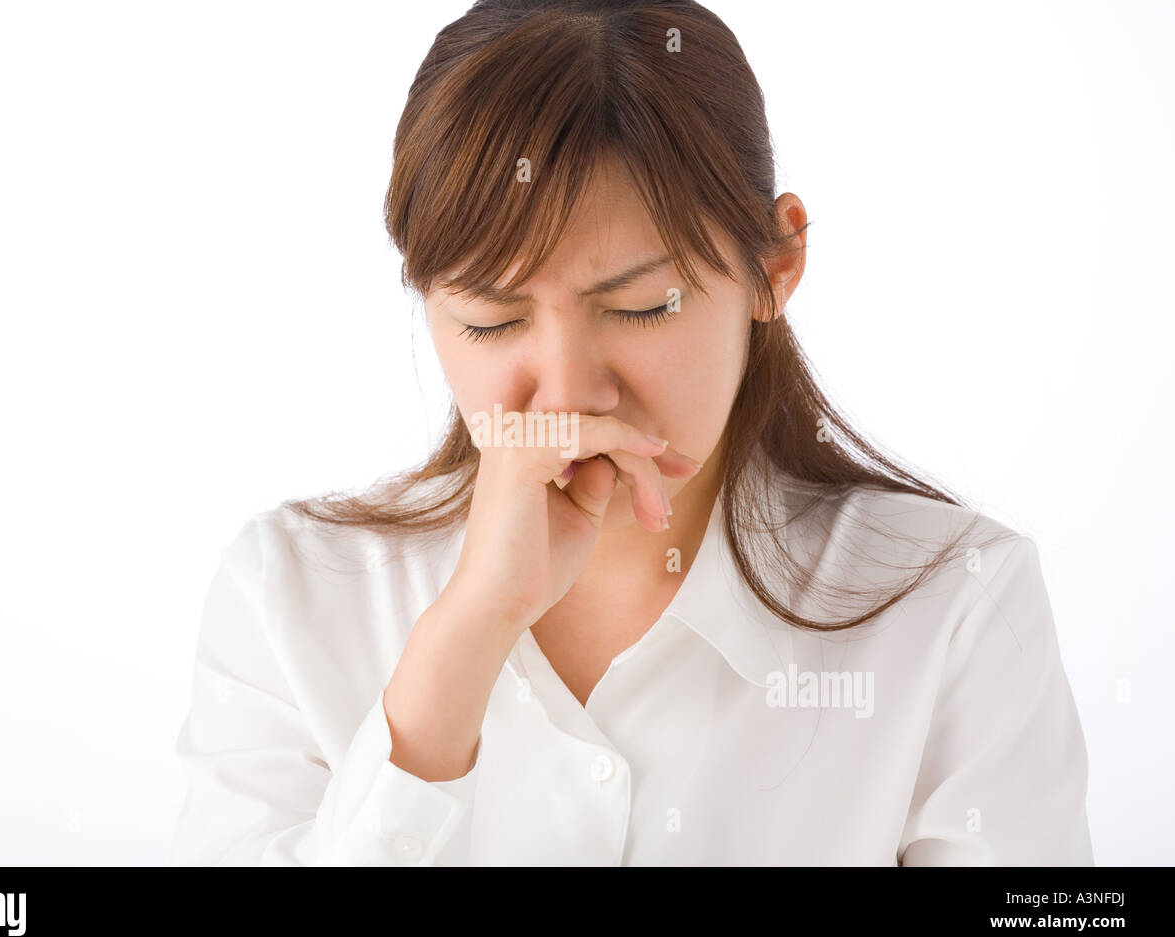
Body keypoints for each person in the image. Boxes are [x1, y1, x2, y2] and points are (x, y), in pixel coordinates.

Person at [169, 0, 1092, 866]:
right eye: (491, 320)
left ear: (778, 265)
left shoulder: (957, 608)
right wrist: (462, 641)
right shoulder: (288, 598)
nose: (569, 394)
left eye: (643, 307)